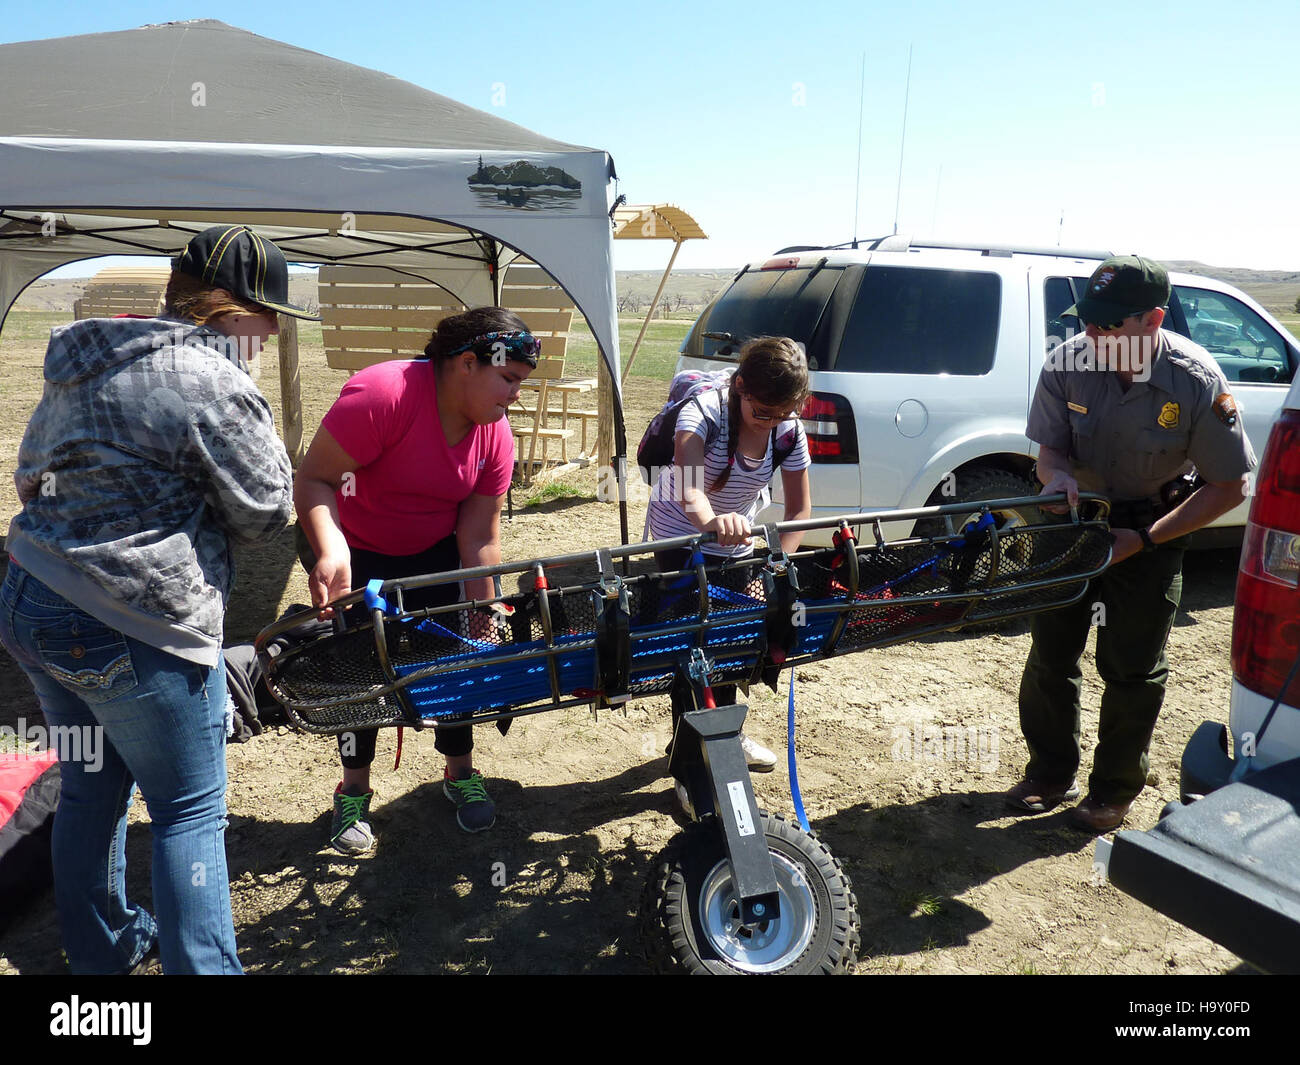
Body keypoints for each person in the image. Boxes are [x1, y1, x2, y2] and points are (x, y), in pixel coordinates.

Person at [0, 224, 305, 973]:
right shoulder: (218, 377)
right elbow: (266, 508)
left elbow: (29, 475)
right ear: (232, 311)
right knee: (189, 811)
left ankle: (103, 956)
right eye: (269, 318)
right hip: (137, 624)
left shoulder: (85, 355)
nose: (272, 335)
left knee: (88, 788)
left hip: (32, 598)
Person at [1006, 255, 1256, 832]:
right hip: (1072, 525)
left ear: (1153, 320)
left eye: (1108, 325)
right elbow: (1049, 452)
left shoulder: (1195, 381)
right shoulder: (1066, 364)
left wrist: (1144, 538)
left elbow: (1230, 486)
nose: (1092, 334)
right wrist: (1056, 477)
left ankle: (1113, 790)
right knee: (1050, 654)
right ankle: (1048, 772)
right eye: (1088, 321)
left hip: (1153, 526)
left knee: (1133, 668)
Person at [294, 307, 536, 850]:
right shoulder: (385, 395)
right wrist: (331, 551)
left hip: (435, 555)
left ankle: (459, 772)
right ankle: (353, 790)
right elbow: (314, 479)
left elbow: (478, 535)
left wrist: (485, 611)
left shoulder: (494, 436)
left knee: (451, 661)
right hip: (356, 554)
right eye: (510, 379)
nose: (515, 396)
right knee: (362, 674)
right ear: (467, 363)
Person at [646, 336, 812, 791]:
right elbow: (691, 492)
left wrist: (777, 567)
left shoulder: (789, 430)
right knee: (693, 648)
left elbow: (798, 512)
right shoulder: (700, 415)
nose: (773, 423)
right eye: (763, 413)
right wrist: (713, 522)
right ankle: (690, 767)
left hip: (737, 540)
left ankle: (727, 735)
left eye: (784, 413)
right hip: (680, 536)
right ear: (740, 387)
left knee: (735, 641)